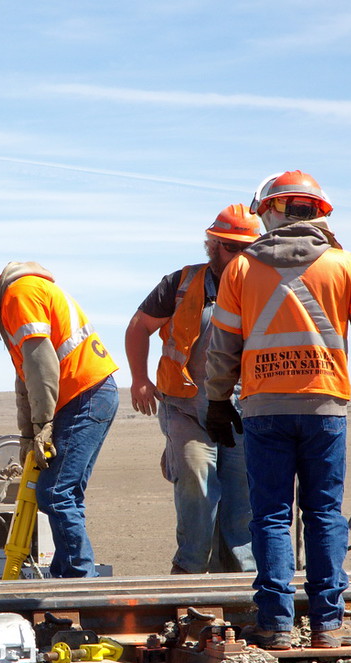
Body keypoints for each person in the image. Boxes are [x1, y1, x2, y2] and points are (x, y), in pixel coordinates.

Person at [203, 170, 351, 650]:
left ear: (269, 212)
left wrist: (215, 399)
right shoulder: (346, 265)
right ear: (318, 212)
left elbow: (222, 346)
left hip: (262, 409)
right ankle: (328, 625)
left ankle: (274, 625)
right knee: (323, 514)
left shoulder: (241, 269)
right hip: (324, 407)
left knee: (270, 515)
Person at [0, 254, 119, 578]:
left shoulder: (19, 295)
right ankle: (68, 573)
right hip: (85, 395)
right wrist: (26, 433)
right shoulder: (12, 299)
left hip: (84, 395)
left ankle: (78, 579)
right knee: (64, 492)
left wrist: (43, 424)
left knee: (55, 492)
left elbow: (40, 364)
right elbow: (24, 376)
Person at [124, 204, 258, 574]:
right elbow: (139, 326)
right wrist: (139, 379)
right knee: (197, 481)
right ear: (212, 245)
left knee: (241, 499)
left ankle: (243, 583)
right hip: (186, 406)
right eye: (231, 248)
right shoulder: (181, 283)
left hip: (242, 412)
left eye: (248, 249)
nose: (239, 257)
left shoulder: (261, 289)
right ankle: (190, 574)